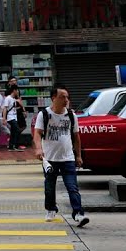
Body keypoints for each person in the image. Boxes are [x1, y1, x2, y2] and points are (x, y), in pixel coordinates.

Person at [33, 85, 89, 227]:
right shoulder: (44, 115)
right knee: (49, 187)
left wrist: (78, 156)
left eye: (67, 97)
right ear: (53, 98)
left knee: (72, 187)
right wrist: (39, 149)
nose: (66, 100)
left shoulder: (71, 115)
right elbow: (37, 133)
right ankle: (51, 209)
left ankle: (78, 213)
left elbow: (76, 137)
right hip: (50, 159)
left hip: (68, 158)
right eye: (62, 97)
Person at [3, 87, 27, 151]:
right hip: (10, 117)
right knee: (17, 130)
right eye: (17, 91)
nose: (18, 92)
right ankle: (15, 145)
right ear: (14, 90)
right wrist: (4, 118)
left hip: (14, 117)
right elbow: (5, 108)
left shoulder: (14, 99)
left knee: (14, 131)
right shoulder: (8, 98)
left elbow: (14, 108)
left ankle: (11, 146)